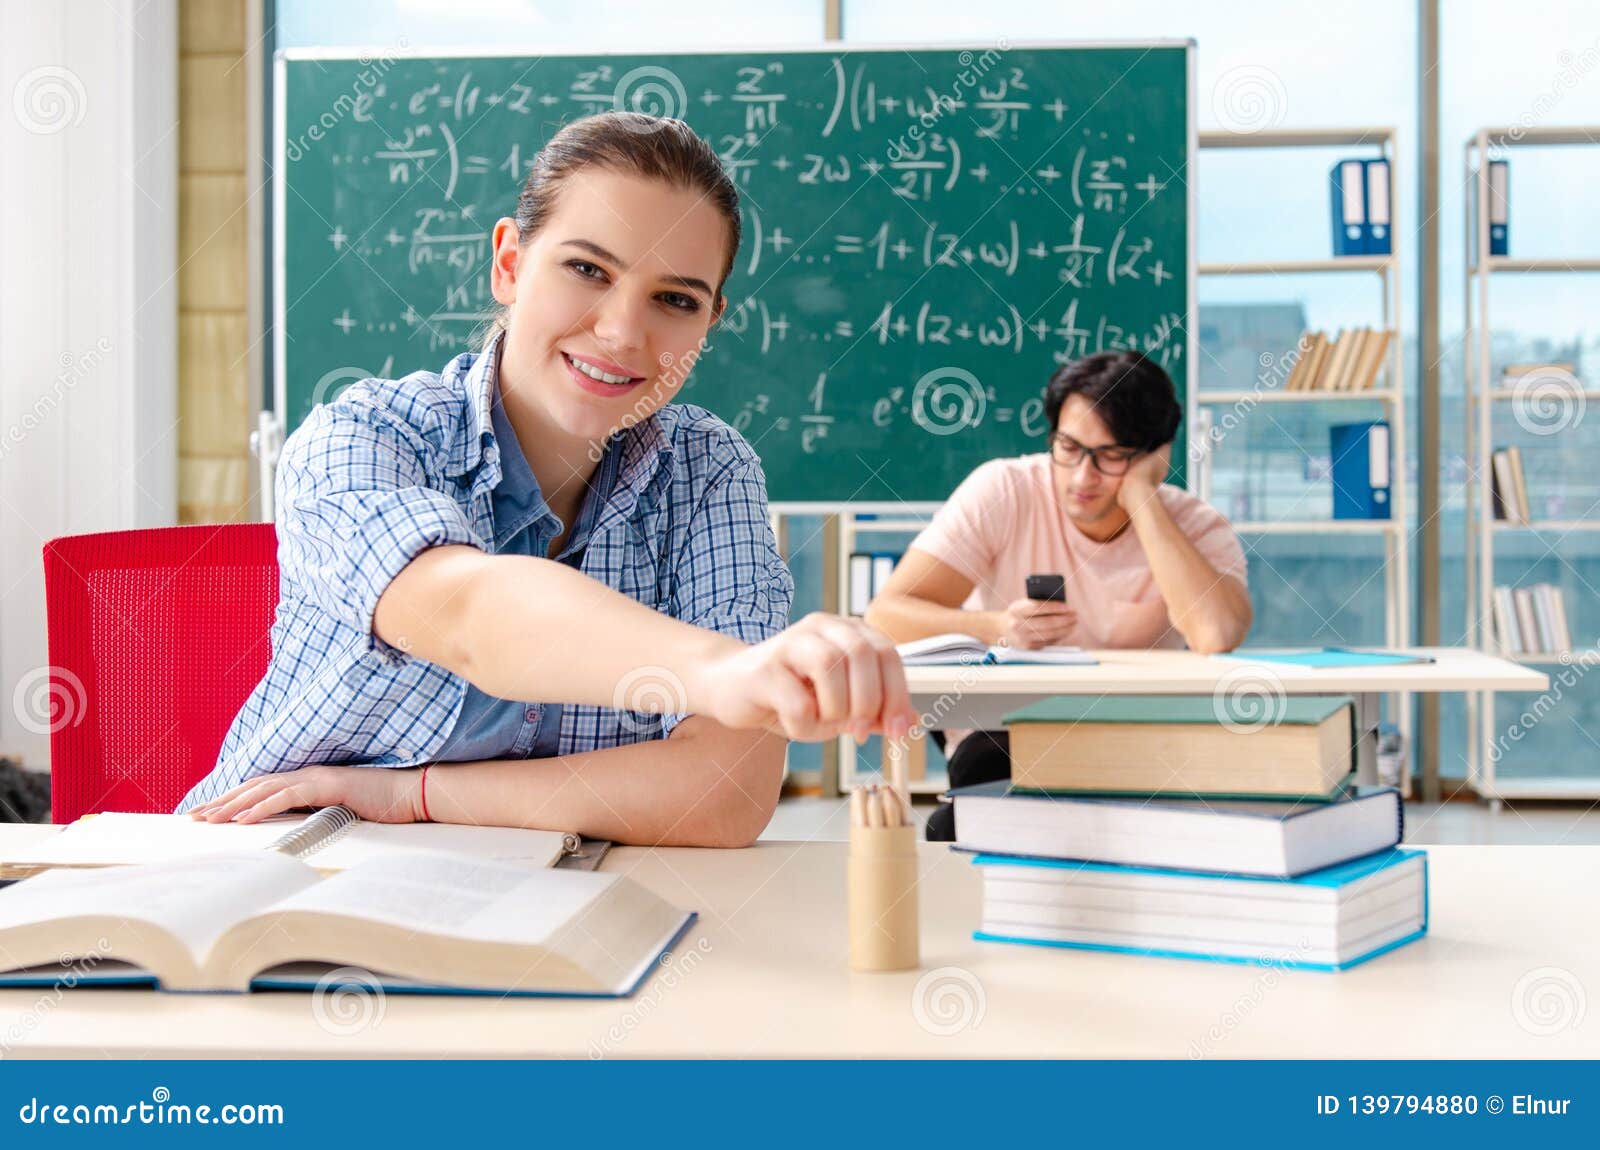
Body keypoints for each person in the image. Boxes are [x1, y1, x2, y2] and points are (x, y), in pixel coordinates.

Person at [179, 112, 916, 847]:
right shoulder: (365, 435)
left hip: (546, 890)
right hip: (284, 855)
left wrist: (413, 794)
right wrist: (726, 672)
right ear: (509, 263)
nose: (622, 333)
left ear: (709, 322)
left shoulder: (708, 470)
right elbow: (471, 618)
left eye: (675, 300)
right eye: (587, 270)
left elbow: (727, 794)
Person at [865, 351, 1252, 841]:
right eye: (1069, 447)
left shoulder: (1195, 527)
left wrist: (1143, 501)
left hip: (1136, 738)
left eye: (1111, 455)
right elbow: (886, 615)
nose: (1083, 477)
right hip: (1008, 733)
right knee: (988, 816)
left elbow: (1216, 634)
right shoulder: (1005, 489)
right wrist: (995, 628)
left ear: (1156, 456)